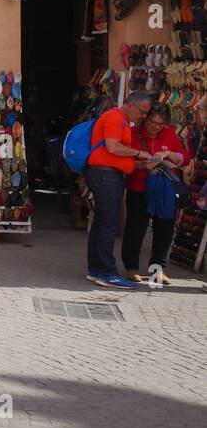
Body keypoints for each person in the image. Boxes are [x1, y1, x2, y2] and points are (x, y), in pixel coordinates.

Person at [84, 91, 157, 289]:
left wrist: (143, 165)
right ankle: (107, 273)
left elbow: (119, 158)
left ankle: (95, 269)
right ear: (132, 105)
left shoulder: (122, 120)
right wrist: (139, 152)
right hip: (105, 176)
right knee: (108, 224)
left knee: (102, 223)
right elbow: (113, 147)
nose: (143, 117)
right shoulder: (115, 117)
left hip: (108, 174)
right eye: (143, 112)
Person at [122, 102, 185, 284]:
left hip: (164, 191)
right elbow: (123, 162)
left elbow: (184, 158)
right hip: (138, 188)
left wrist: (170, 154)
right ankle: (131, 267)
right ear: (145, 118)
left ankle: (157, 269)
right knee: (135, 228)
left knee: (164, 229)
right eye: (152, 122)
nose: (155, 127)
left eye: (160, 124)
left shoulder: (170, 134)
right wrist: (143, 164)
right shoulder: (132, 134)